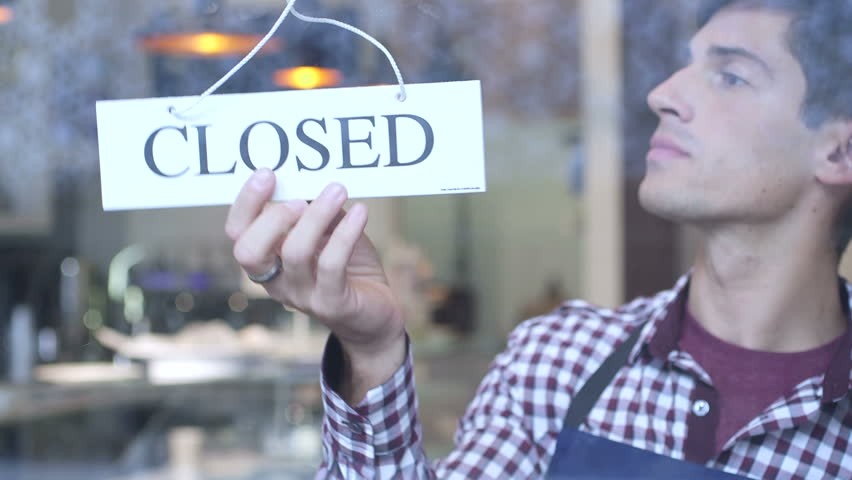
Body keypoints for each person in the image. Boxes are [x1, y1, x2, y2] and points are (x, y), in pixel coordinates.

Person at [224, 0, 852, 478]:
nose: (663, 95)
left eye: (731, 77)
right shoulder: (556, 362)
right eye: (684, 67)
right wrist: (371, 348)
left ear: (839, 148)